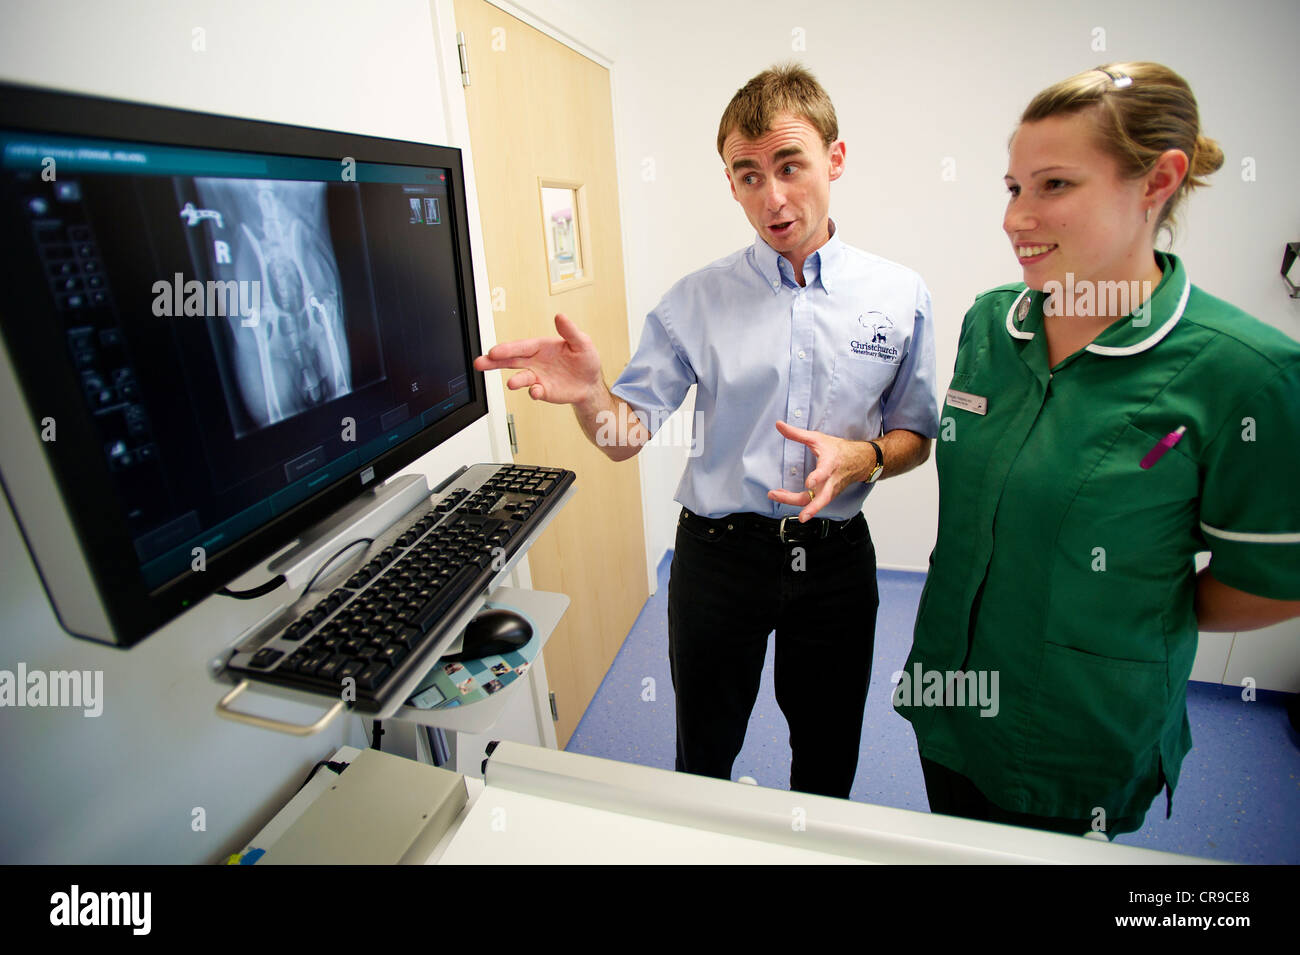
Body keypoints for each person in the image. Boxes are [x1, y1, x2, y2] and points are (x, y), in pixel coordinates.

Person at [475, 64, 938, 798]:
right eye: (747, 174)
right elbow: (625, 435)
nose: (772, 197)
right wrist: (591, 393)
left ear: (835, 160)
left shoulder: (900, 294)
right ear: (729, 182)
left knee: (826, 758)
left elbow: (916, 432)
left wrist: (866, 456)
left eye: (790, 166)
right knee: (704, 757)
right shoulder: (695, 300)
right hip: (719, 559)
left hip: (836, 563)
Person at [896, 62, 1300, 837]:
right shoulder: (992, 324)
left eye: (1054, 186)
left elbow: (1276, 583)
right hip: (951, 695)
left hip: (1075, 735)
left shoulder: (1243, 375)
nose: (1017, 218)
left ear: (1158, 181)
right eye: (1013, 188)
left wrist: (1128, 611)